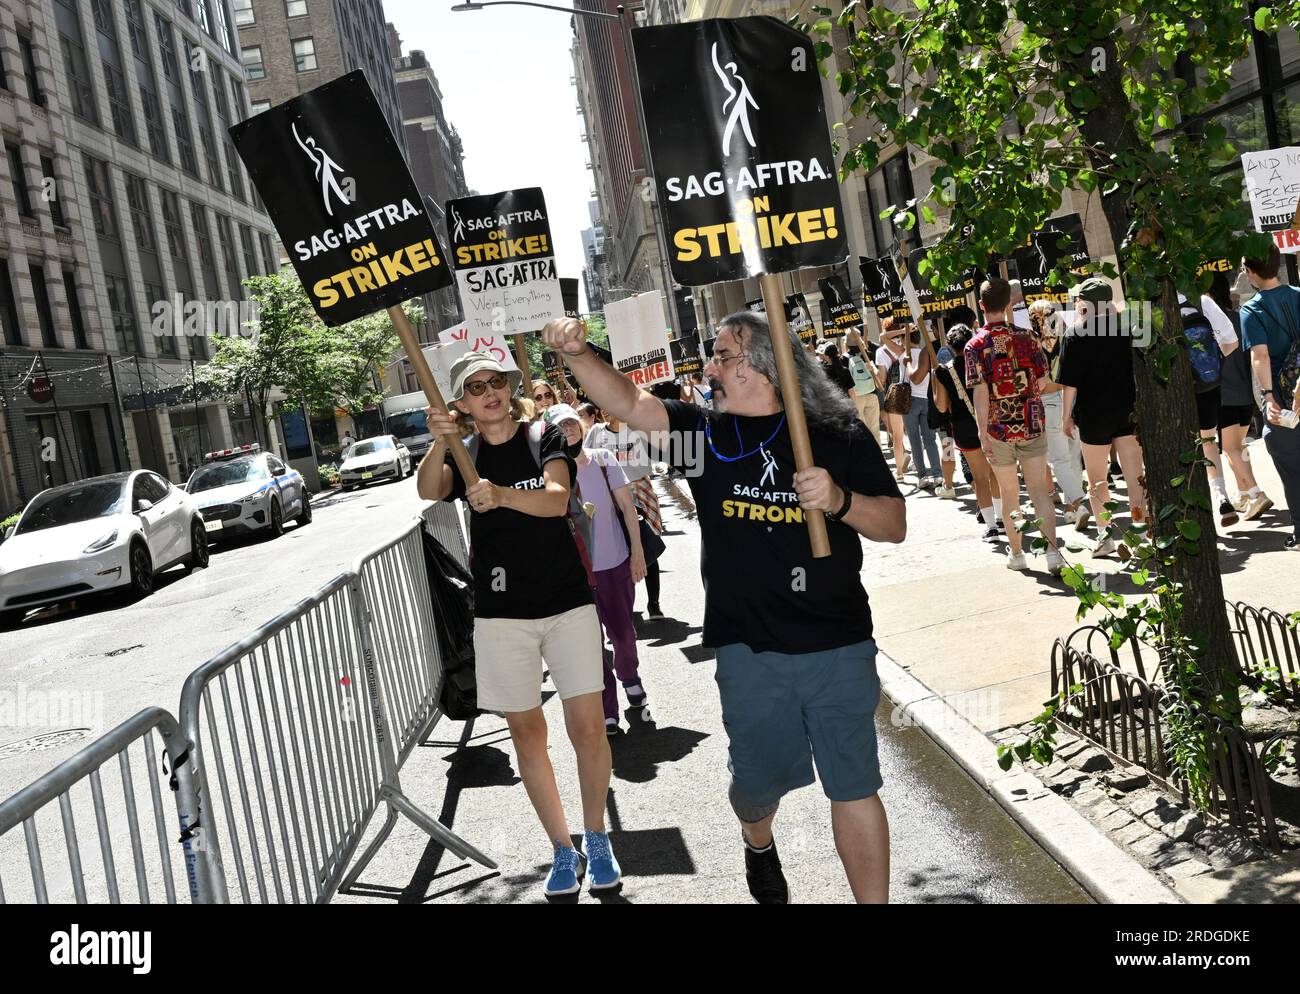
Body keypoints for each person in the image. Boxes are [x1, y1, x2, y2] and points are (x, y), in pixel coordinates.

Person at [544, 310, 906, 905]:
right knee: (756, 786)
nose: (709, 367)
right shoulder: (706, 436)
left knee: (855, 785)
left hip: (837, 640)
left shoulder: (836, 431)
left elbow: (893, 524)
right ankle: (758, 842)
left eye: (722, 355)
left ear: (764, 366)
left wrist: (839, 500)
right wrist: (580, 357)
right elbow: (634, 405)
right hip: (748, 646)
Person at [415, 350, 620, 896]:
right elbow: (429, 491)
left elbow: (557, 502)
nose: (489, 391)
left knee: (587, 728)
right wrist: (441, 440)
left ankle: (596, 835)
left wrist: (500, 495)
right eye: (475, 387)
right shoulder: (465, 454)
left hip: (567, 603)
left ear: (509, 387)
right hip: (502, 614)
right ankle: (561, 848)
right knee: (528, 734)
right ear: (462, 403)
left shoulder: (544, 436)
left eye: (496, 381)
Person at [544, 404, 651, 736]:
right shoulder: (548, 473)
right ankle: (608, 709)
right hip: (576, 576)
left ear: (580, 425)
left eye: (572, 423)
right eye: (560, 426)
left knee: (622, 634)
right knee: (593, 646)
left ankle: (630, 676)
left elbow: (626, 508)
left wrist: (637, 553)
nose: (569, 430)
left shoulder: (603, 459)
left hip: (613, 563)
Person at [965, 278, 1064, 573]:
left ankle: (1018, 554)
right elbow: (1044, 381)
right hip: (1032, 422)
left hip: (998, 430)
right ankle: (1053, 554)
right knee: (1039, 492)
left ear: (981, 306)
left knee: (1010, 495)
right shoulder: (1028, 339)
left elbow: (980, 392)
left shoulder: (975, 345)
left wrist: (982, 432)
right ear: (1009, 305)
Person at [1058, 277, 1147, 556]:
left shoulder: (1074, 334)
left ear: (1084, 302)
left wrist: (1066, 417)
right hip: (1127, 408)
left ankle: (1105, 536)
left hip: (1093, 413)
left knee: (1097, 479)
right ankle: (1140, 530)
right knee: (1135, 474)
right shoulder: (1131, 326)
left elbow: (1069, 385)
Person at [1240, 243, 1300, 550]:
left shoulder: (1251, 310)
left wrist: (1268, 397)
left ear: (1250, 272)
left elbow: (1260, 356)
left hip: (1283, 399)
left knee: (1292, 466)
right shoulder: (1299, 294)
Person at [586, 408, 668, 619]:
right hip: (611, 497)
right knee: (619, 549)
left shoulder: (636, 427)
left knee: (646, 544)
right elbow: (585, 460)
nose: (604, 409)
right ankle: (625, 604)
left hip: (640, 491)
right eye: (600, 405)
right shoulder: (596, 432)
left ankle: (654, 604)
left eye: (608, 403)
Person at [1208, 272, 1272, 522]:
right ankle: (1244, 492)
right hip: (1246, 395)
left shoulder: (1209, 323)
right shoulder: (1239, 317)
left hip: (1223, 396)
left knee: (1231, 448)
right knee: (1238, 446)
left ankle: (1256, 493)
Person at [1178, 289, 1243, 529]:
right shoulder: (1200, 300)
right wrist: (1211, 366)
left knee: (1178, 448)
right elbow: (1231, 340)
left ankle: (1192, 515)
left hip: (1167, 388)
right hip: (1205, 385)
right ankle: (1220, 496)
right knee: (1207, 441)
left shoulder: (1141, 305)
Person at [933, 323, 1003, 538]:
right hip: (990, 422)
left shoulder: (943, 372)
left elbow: (942, 406)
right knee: (995, 474)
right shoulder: (984, 363)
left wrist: (935, 383)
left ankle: (990, 526)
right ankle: (1001, 518)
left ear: (950, 346)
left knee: (979, 477)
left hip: (963, 426)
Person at [1027, 299, 1088, 530]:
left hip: (1049, 401)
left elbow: (1039, 383)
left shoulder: (1032, 344)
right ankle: (1072, 509)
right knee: (1073, 455)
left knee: (1059, 460)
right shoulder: (1068, 337)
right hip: (1071, 398)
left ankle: (1079, 504)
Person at [878, 322, 942, 489]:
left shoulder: (902, 353)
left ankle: (922, 476)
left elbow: (883, 337)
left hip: (908, 401)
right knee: (930, 440)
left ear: (904, 338)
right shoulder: (924, 352)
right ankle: (937, 474)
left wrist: (902, 331)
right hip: (926, 399)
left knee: (914, 440)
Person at [875, 318, 911, 480]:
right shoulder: (906, 344)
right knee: (917, 432)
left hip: (895, 395)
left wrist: (873, 371)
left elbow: (882, 379)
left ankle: (899, 472)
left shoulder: (881, 351)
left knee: (897, 436)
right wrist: (906, 331)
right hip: (913, 392)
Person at [845, 331, 883, 441]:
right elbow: (877, 374)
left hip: (855, 396)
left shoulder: (844, 358)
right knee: (875, 430)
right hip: (872, 394)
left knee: (862, 431)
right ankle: (878, 455)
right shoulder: (868, 355)